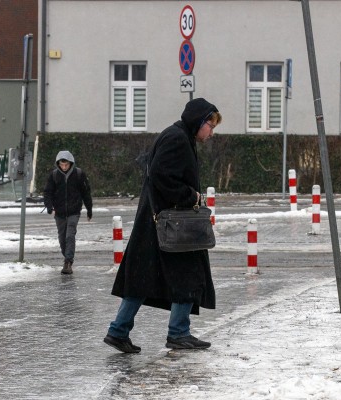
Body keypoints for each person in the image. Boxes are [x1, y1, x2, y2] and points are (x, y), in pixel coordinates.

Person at [104, 97, 221, 354]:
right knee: (186, 276)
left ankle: (119, 330)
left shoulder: (177, 135)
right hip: (171, 224)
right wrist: (192, 197)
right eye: (210, 126)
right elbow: (161, 175)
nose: (211, 133)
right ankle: (178, 333)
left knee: (143, 278)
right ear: (199, 122)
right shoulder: (177, 139)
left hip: (159, 223)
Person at [43, 150, 93, 274]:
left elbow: (86, 193)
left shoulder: (79, 174)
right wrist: (49, 207)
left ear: (71, 163)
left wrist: (89, 209)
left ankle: (68, 262)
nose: (64, 167)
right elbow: (47, 192)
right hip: (59, 212)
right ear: (58, 164)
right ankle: (67, 256)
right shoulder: (54, 176)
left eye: (66, 165)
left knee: (70, 236)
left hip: (74, 211)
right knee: (62, 238)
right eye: (62, 165)